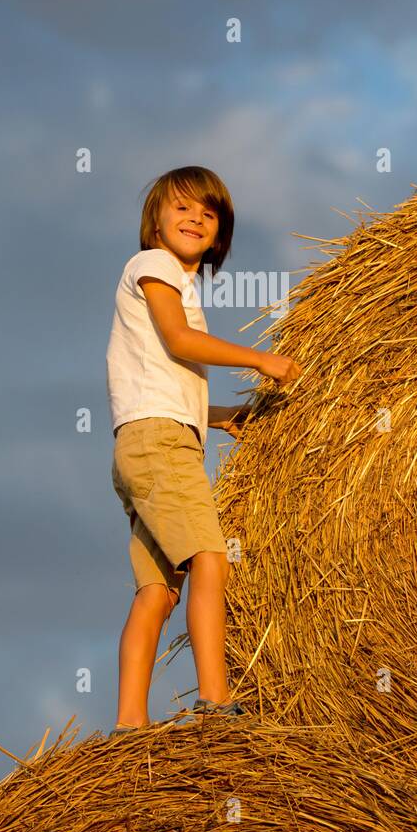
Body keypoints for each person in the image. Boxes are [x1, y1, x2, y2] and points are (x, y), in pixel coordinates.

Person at [106, 165, 301, 736]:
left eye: (208, 213)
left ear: (220, 233)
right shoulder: (154, 265)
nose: (194, 218)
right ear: (155, 222)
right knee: (211, 559)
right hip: (160, 446)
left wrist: (221, 418)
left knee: (158, 592)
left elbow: (160, 382)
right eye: (182, 208)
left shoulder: (176, 282)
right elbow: (179, 341)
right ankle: (216, 701)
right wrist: (259, 359)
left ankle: (130, 724)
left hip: (144, 444)